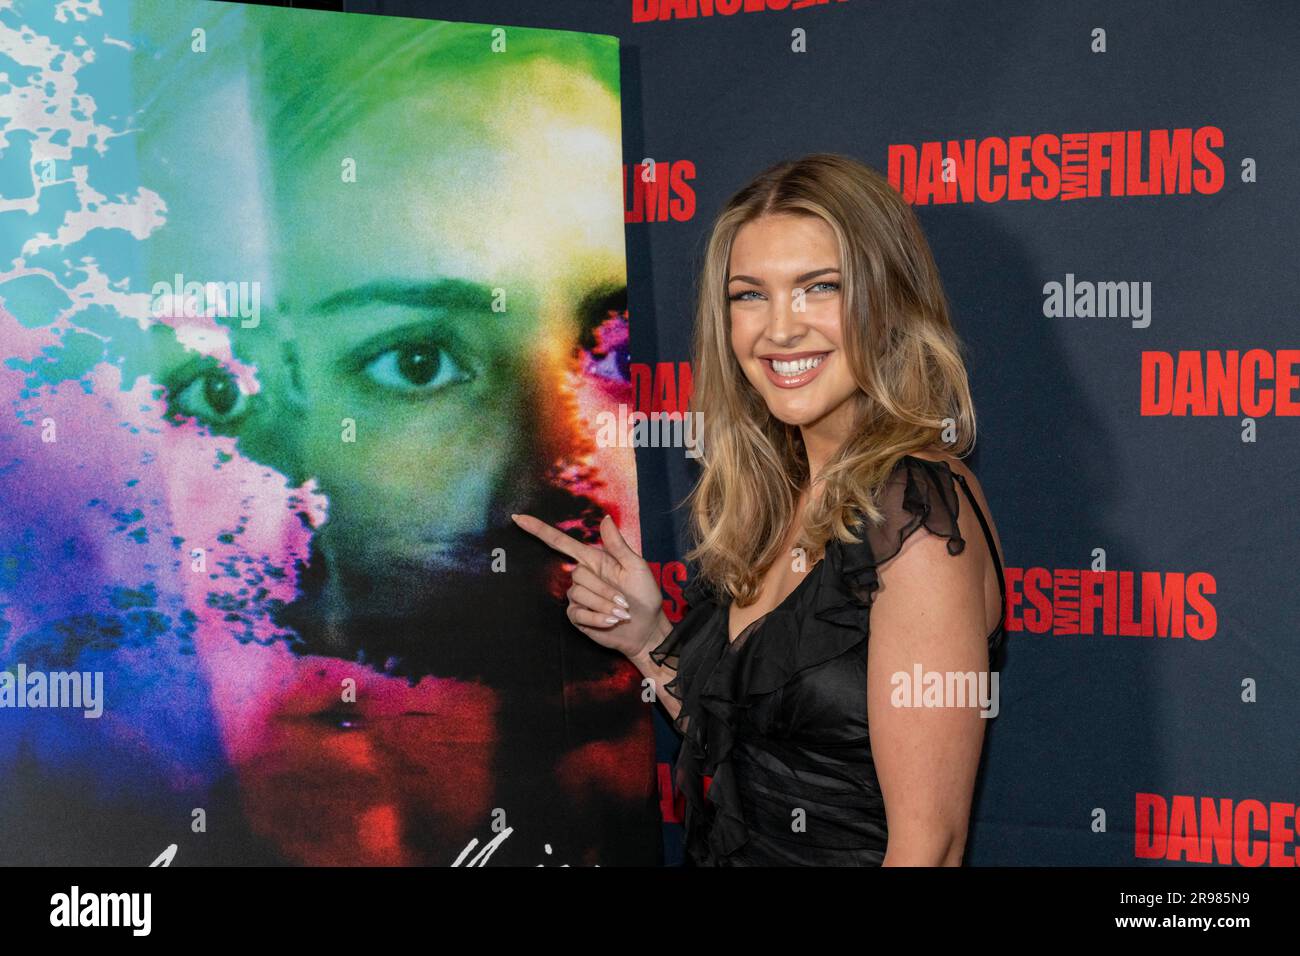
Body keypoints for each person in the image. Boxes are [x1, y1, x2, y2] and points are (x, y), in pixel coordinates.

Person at [512, 152, 1007, 866]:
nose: (780, 329)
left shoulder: (914, 510)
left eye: (819, 288)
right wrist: (648, 638)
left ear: (888, 301)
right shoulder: (773, 493)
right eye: (750, 295)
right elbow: (754, 759)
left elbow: (930, 846)